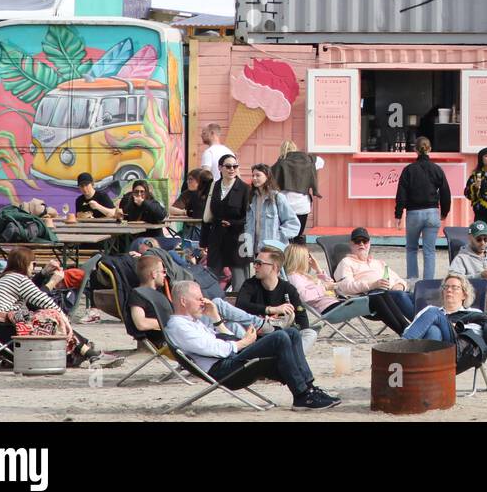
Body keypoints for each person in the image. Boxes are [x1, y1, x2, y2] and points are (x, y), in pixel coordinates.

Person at [164, 279, 339, 410]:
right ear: (183, 301)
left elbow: (224, 341)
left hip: (230, 360)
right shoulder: (179, 326)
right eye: (198, 299)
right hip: (224, 370)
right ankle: (302, 395)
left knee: (292, 333)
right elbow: (217, 350)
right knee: (279, 337)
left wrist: (216, 318)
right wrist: (244, 343)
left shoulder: (194, 322)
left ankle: (308, 389)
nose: (203, 302)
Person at [0, 247, 118, 367]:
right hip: (7, 328)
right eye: (33, 264)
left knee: (50, 319)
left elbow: (32, 293)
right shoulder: (19, 279)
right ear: (25, 264)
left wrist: (43, 273)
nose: (33, 267)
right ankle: (89, 352)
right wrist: (63, 316)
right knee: (52, 318)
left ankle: (88, 351)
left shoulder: (7, 278)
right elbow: (42, 300)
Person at [127, 253, 261, 339]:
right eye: (163, 271)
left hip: (188, 324)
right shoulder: (138, 294)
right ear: (153, 274)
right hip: (180, 331)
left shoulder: (160, 292)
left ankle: (253, 357)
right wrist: (171, 320)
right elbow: (141, 323)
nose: (165, 274)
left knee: (232, 325)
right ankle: (261, 325)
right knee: (218, 304)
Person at [235, 245, 316, 353]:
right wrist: (271, 309)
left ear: (274, 267)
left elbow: (303, 320)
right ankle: (291, 357)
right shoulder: (250, 284)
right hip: (258, 338)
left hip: (283, 337)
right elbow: (240, 305)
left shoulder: (288, 289)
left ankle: (292, 356)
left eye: (259, 263)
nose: (255, 266)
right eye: (255, 263)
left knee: (310, 333)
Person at [395, 137, 451, 281]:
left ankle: (413, 282)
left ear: (415, 150)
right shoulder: (437, 169)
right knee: (429, 251)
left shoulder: (408, 170)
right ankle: (428, 285)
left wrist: (398, 214)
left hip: (413, 213)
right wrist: (444, 212)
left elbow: (401, 194)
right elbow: (445, 192)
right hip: (432, 213)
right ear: (430, 149)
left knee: (412, 249)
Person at [203, 153, 251, 291]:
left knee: (239, 279)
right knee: (212, 275)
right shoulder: (214, 186)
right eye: (228, 166)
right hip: (217, 237)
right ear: (220, 168)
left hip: (238, 238)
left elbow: (249, 217)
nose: (232, 169)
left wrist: (233, 223)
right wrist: (203, 242)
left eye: (235, 166)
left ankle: (241, 308)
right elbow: (208, 215)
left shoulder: (244, 189)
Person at [270, 140, 323, 243]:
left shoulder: (280, 163)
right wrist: (309, 157)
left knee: (285, 236)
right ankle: (298, 256)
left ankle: (286, 256)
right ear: (295, 148)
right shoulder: (308, 161)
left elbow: (271, 179)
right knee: (298, 235)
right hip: (303, 204)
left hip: (285, 205)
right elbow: (321, 162)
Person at [245, 164, 299, 253]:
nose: (254, 178)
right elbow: (248, 223)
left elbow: (293, 223)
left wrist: (278, 236)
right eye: (253, 175)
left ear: (267, 176)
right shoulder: (252, 198)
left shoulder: (278, 197)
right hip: (256, 247)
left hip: (274, 248)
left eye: (258, 175)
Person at [284, 242, 339, 316]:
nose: (310, 259)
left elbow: (331, 285)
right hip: (327, 307)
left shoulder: (303, 275)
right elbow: (303, 296)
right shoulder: (294, 277)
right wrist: (324, 287)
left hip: (334, 302)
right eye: (307, 256)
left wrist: (318, 269)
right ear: (300, 259)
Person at [173, 167, 211, 243]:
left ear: (199, 181)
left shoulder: (211, 193)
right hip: (190, 228)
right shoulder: (187, 194)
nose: (187, 182)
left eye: (191, 179)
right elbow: (172, 209)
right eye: (187, 179)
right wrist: (184, 212)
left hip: (207, 228)